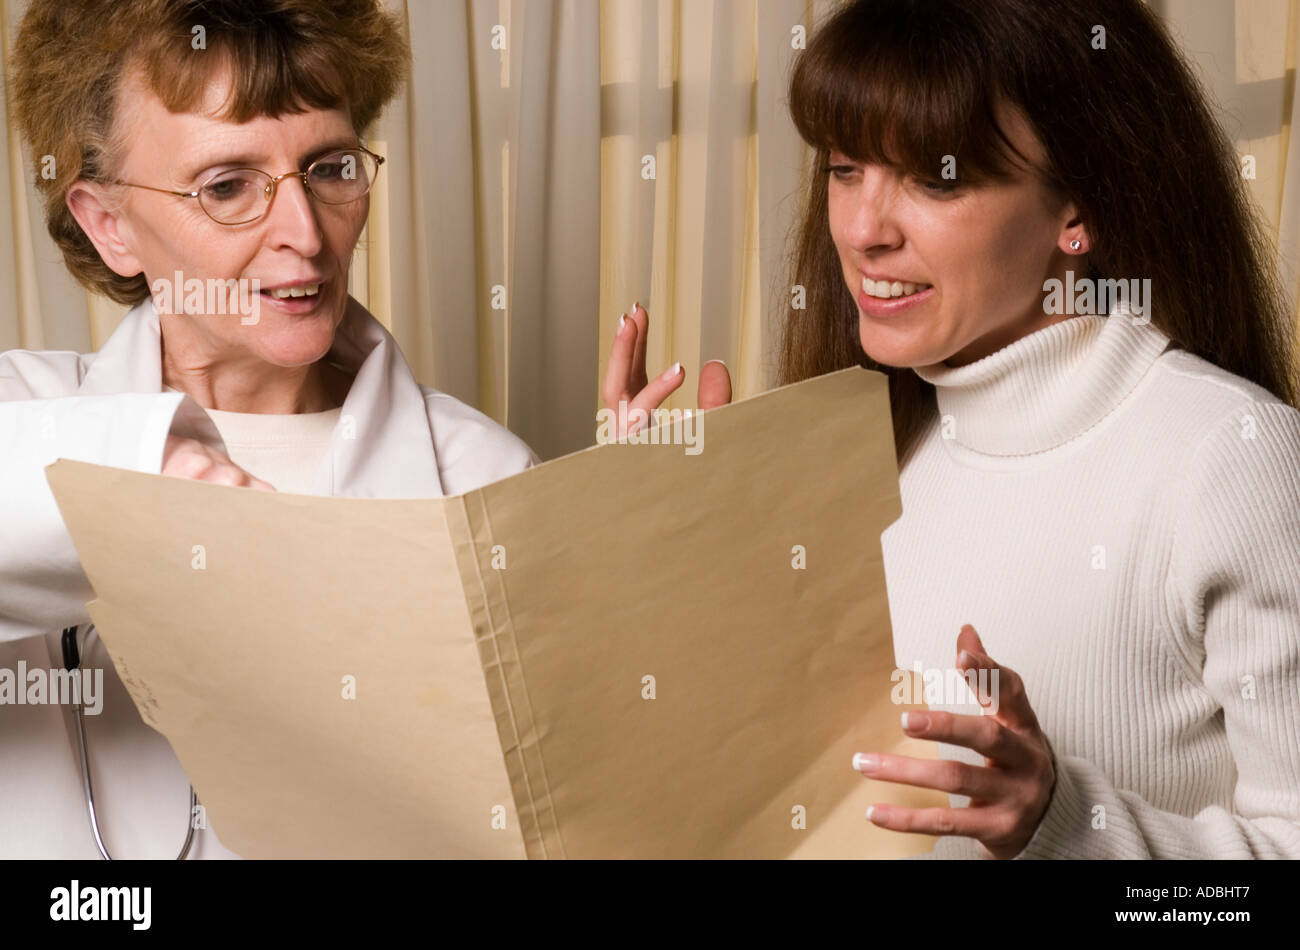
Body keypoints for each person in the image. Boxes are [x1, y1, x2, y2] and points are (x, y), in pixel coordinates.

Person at [605, 0, 1300, 858]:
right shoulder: (857, 449)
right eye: (845, 168)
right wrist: (660, 553)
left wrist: (1063, 822)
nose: (862, 232)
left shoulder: (1227, 455)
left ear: (1078, 209)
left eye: (937, 180)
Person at [1, 0, 536, 858]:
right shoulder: (24, 416)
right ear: (109, 225)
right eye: (226, 186)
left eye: (329, 167)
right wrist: (145, 477)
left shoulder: (485, 476)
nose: (305, 235)